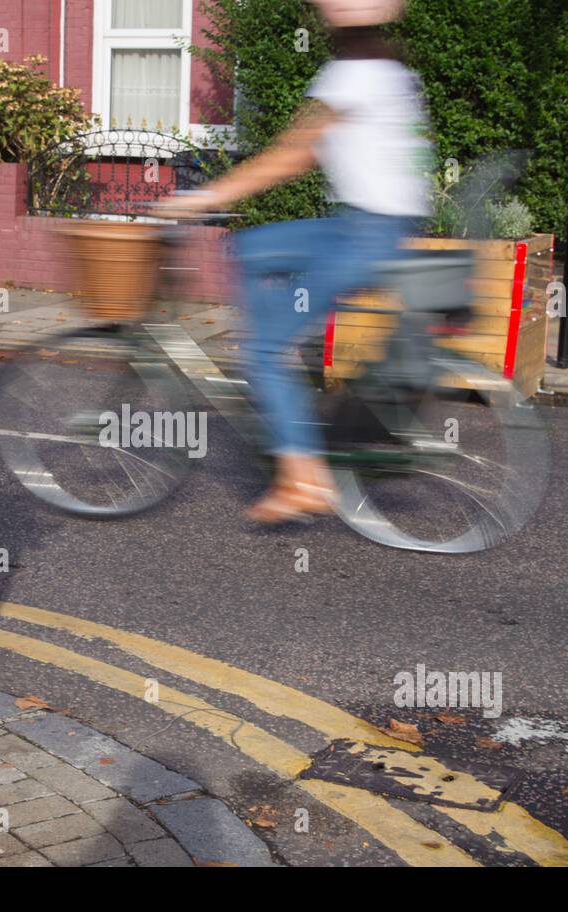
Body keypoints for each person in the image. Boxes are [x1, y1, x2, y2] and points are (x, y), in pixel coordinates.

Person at [159, 0, 433, 523]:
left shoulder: (352, 74)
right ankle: (287, 374)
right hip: (382, 228)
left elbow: (293, 155)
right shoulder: (395, 72)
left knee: (261, 348)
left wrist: (202, 198)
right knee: (251, 246)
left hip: (363, 235)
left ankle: (302, 477)